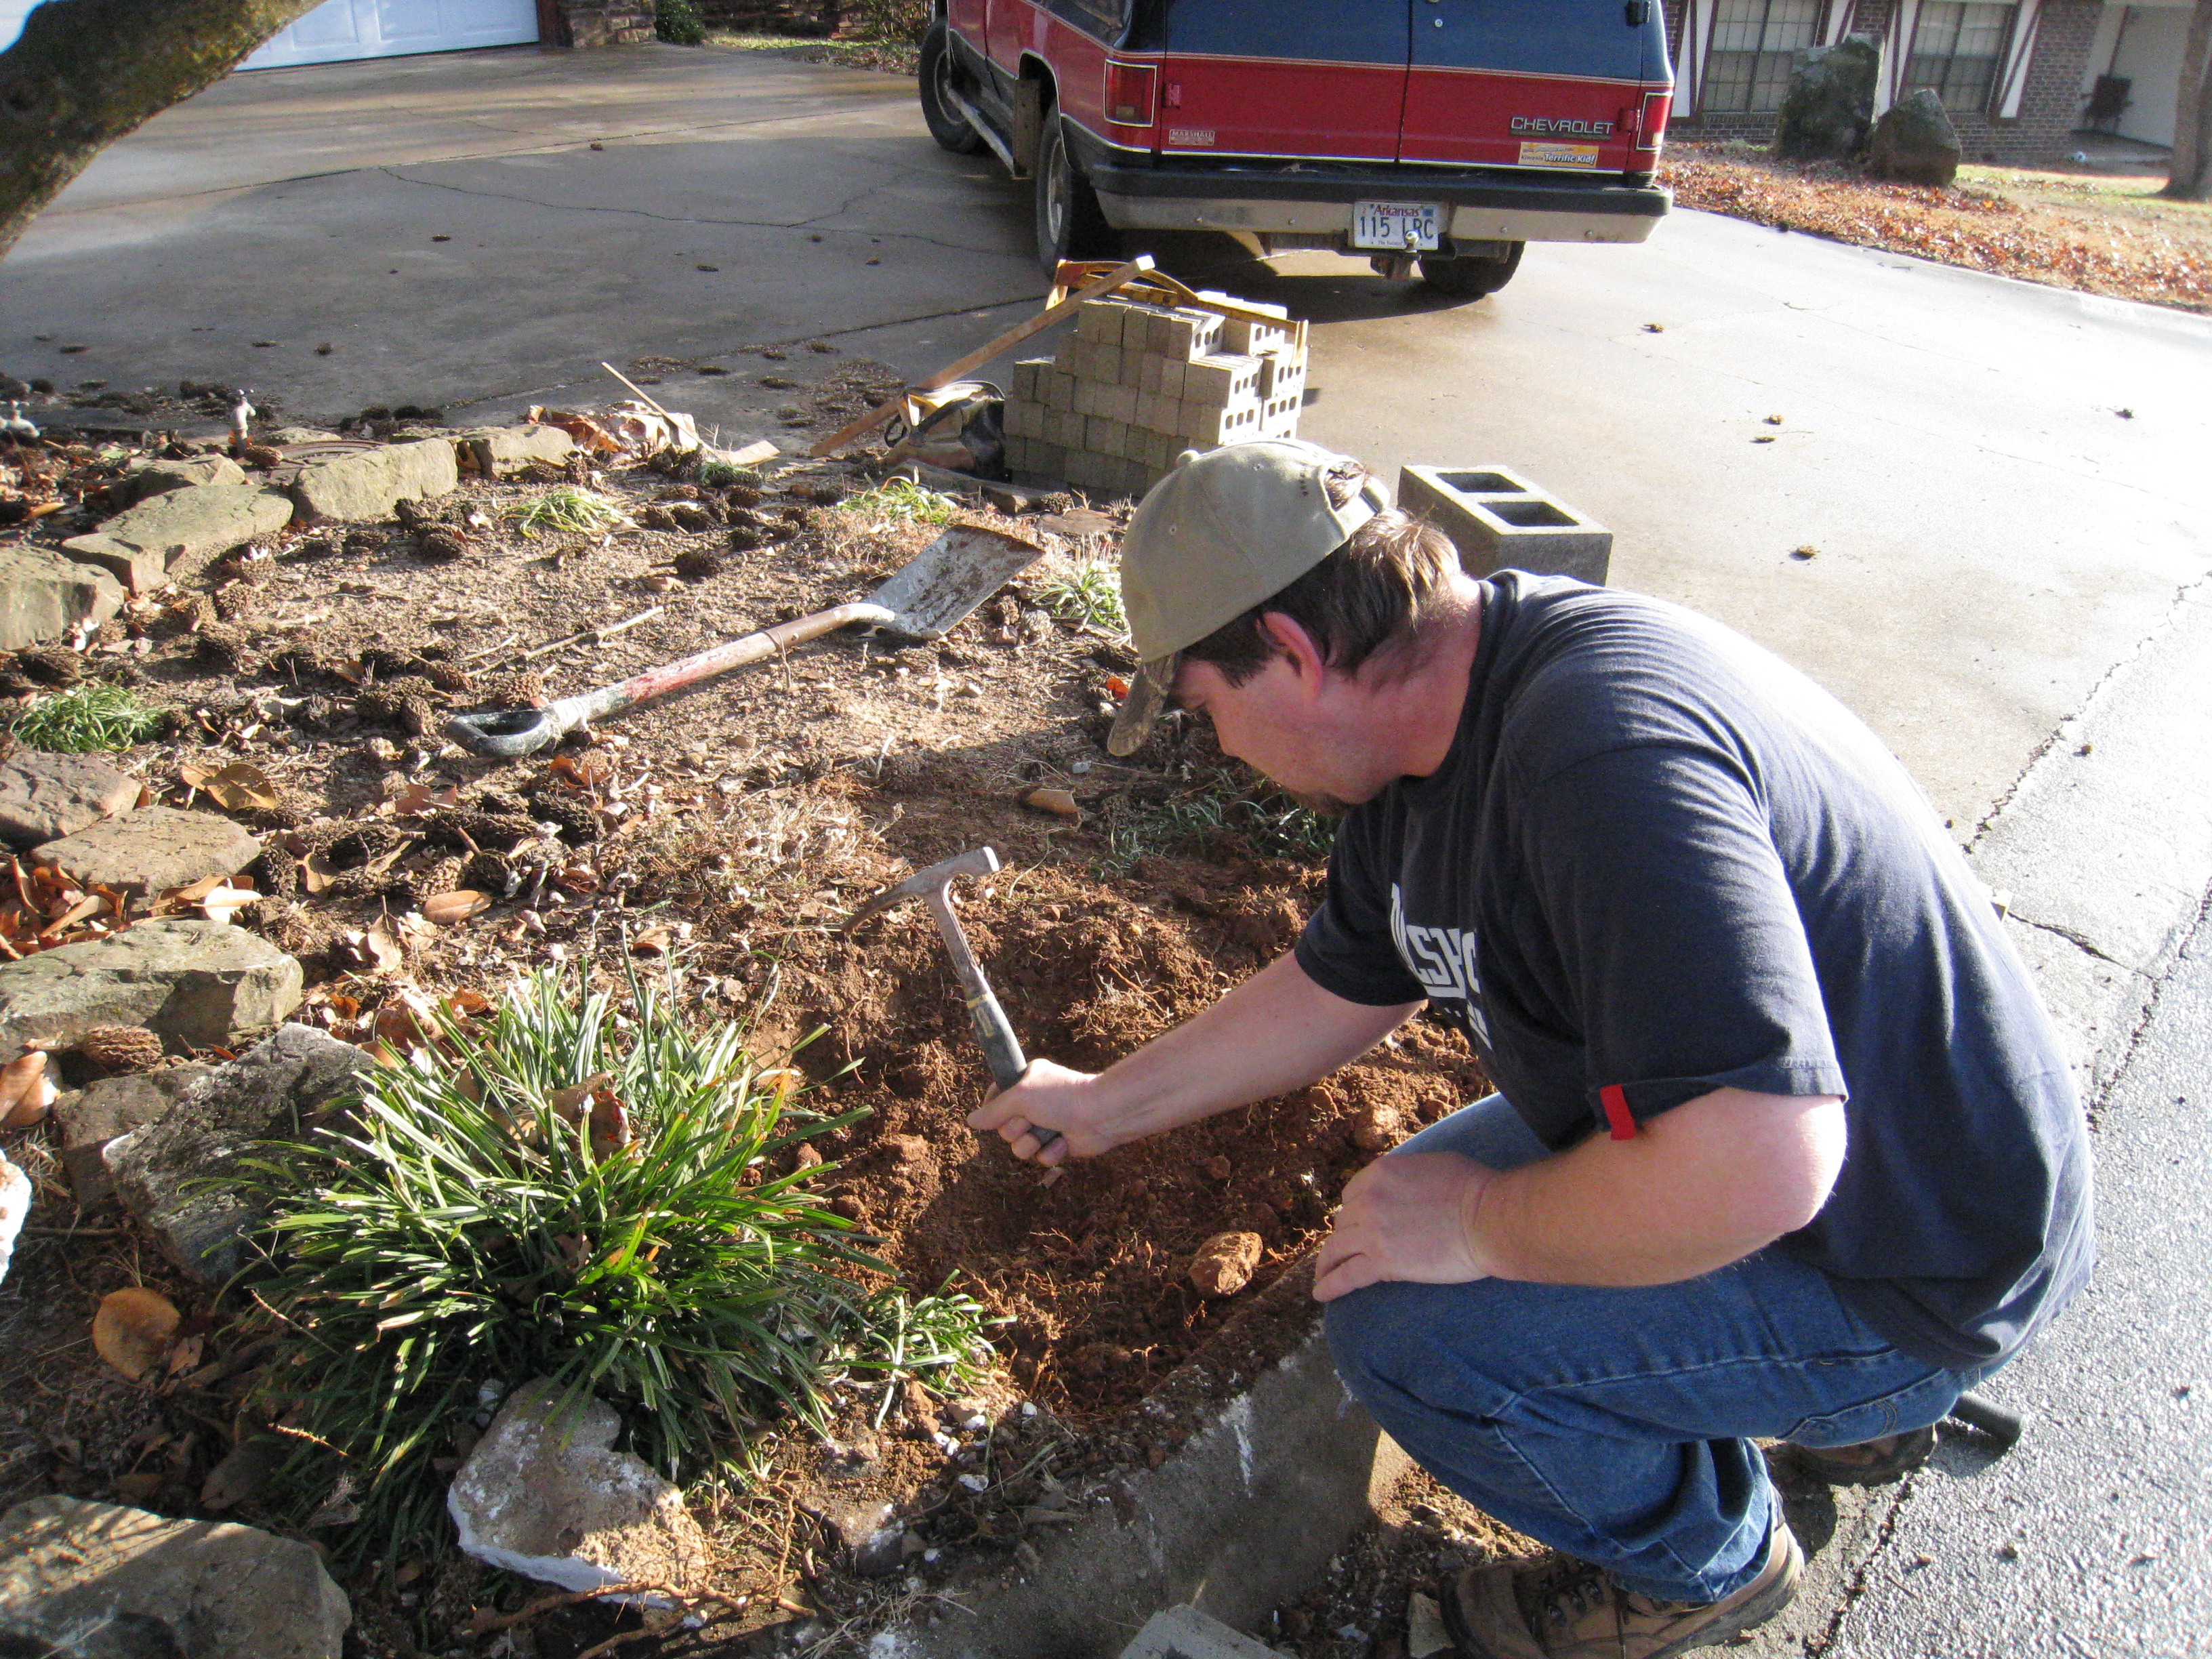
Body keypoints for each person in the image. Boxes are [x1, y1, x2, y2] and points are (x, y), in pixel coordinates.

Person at [968, 438, 2093, 1658]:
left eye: (1207, 711)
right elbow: (1338, 984)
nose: (1222, 749)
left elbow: (1764, 1164)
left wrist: (1480, 1228)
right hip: (1854, 1167)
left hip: (1915, 1257)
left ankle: (1711, 1558)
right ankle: (1809, 1401)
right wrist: (1101, 1106)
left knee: (1410, 1330)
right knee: (1408, 1221)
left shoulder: (1600, 755)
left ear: (1290, 655)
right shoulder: (1437, 721)